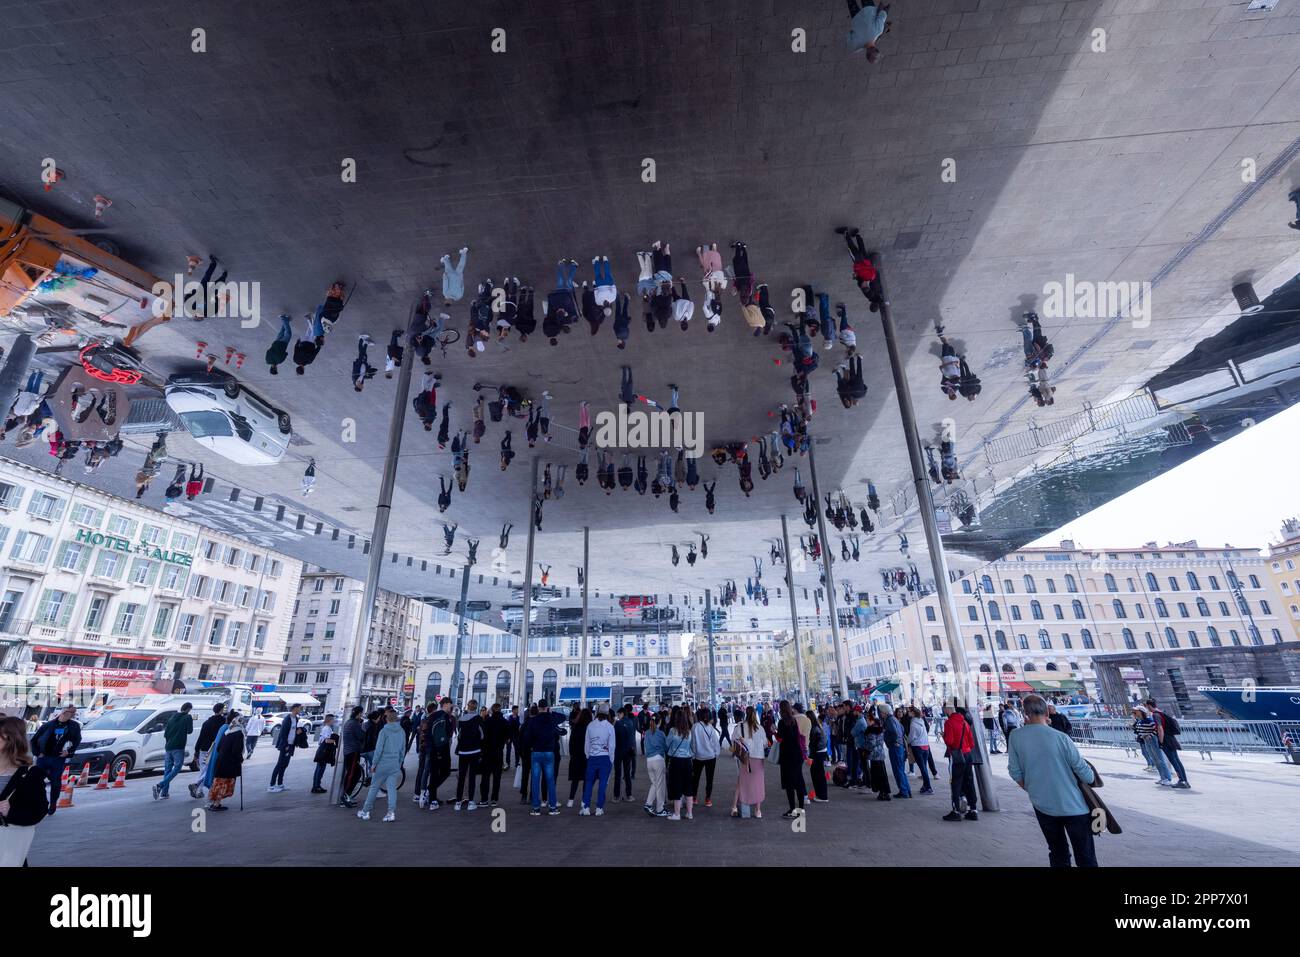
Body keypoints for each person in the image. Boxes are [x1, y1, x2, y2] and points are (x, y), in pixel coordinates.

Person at [1007, 694, 1098, 867]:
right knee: (1085, 854)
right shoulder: (1061, 738)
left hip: (1042, 804)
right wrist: (1092, 778)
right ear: (1046, 713)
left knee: (1057, 851)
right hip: (1074, 805)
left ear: (1025, 712)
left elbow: (1015, 772)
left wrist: (1033, 788)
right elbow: (1084, 773)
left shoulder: (1016, 737)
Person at [0, 715, 50, 866]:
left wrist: (11, 812)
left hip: (7, 846)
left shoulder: (30, 774)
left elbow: (39, 811)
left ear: (10, 739)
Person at [357, 708, 404, 822]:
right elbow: (403, 750)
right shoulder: (401, 731)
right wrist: (399, 763)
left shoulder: (384, 731)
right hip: (394, 764)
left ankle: (366, 811)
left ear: (387, 719)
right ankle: (390, 813)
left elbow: (378, 750)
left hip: (382, 763)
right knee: (392, 788)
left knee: (374, 787)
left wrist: (374, 764)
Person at [523, 699, 565, 816]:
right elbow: (562, 717)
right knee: (550, 780)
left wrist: (531, 746)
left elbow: (527, 738)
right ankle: (552, 807)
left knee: (535, 780)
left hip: (536, 752)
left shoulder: (532, 721)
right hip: (549, 752)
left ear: (538, 708)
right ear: (547, 707)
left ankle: (536, 808)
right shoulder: (552, 719)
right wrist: (550, 713)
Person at [941, 704, 979, 821]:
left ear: (948, 709)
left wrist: (944, 736)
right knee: (969, 781)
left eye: (944, 709)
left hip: (957, 756)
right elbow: (971, 743)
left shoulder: (949, 723)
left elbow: (950, 741)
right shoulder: (965, 722)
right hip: (968, 755)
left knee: (956, 783)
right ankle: (973, 810)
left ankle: (956, 810)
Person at [152, 701, 193, 801]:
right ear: (188, 709)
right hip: (179, 746)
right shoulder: (187, 717)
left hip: (169, 747)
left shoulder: (172, 718)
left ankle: (164, 793)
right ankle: (160, 785)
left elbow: (166, 734)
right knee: (178, 767)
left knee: (168, 770)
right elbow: (190, 731)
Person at [1146, 698, 1190, 789]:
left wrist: (1161, 742)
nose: (1147, 708)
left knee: (1174, 761)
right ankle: (1184, 780)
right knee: (1177, 760)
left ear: (1149, 706)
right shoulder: (1161, 712)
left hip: (1166, 740)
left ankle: (1182, 781)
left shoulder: (1155, 715)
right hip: (1171, 739)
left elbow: (1160, 729)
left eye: (1147, 706)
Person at [731, 706, 766, 818]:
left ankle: (734, 807)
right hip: (758, 759)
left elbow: (733, 740)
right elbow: (765, 743)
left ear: (745, 713)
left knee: (741, 783)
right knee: (758, 784)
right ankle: (758, 810)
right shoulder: (760, 728)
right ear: (755, 714)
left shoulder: (740, 726)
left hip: (744, 759)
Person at [581, 704, 615, 816]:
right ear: (607, 714)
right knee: (602, 784)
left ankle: (586, 807)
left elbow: (587, 744)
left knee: (589, 783)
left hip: (592, 757)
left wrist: (588, 756)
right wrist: (611, 760)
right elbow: (612, 746)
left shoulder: (590, 725)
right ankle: (599, 808)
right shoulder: (610, 727)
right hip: (605, 758)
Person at [206, 714, 245, 811]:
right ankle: (217, 804)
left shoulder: (227, 731)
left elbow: (218, 747)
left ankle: (214, 803)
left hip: (220, 761)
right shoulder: (239, 733)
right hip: (229, 763)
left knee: (218, 782)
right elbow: (236, 750)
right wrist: (240, 759)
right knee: (224, 783)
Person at [422, 699, 455, 810]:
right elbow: (449, 731)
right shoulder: (445, 716)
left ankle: (432, 798)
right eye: (450, 704)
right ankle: (431, 797)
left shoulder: (433, 715)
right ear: (445, 704)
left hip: (431, 748)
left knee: (434, 773)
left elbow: (427, 732)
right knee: (445, 772)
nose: (451, 706)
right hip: (442, 747)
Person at [665, 707, 695, 821]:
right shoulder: (689, 731)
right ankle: (689, 813)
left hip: (676, 761)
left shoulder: (673, 731)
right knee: (688, 787)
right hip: (688, 761)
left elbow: (667, 744)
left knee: (676, 785)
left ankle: (677, 814)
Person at [689, 706, 721, 808]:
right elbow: (715, 743)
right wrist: (716, 753)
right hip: (710, 757)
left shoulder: (695, 727)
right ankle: (708, 799)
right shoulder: (711, 728)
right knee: (709, 778)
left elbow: (693, 742)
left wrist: (693, 754)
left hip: (698, 757)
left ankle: (694, 797)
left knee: (695, 778)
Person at [478, 703, 508, 807]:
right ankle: (494, 799)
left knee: (485, 776)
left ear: (492, 710)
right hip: (498, 752)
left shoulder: (487, 721)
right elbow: (507, 738)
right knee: (497, 776)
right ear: (500, 710)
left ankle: (484, 799)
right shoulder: (504, 722)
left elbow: (482, 737)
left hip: (487, 752)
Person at [267, 703, 302, 793]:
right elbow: (283, 733)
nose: (300, 710)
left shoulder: (296, 719)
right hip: (285, 745)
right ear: (295, 709)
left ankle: (280, 784)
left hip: (291, 745)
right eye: (299, 708)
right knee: (279, 765)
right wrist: (286, 745)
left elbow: (295, 731)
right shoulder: (287, 719)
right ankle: (271, 785)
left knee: (285, 765)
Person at [641, 714, 669, 817]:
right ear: (659, 721)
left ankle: (648, 804)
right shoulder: (661, 734)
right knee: (660, 785)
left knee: (655, 784)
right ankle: (660, 809)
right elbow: (666, 748)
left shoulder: (647, 733)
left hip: (649, 761)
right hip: (658, 760)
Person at [338, 706, 366, 808]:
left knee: (354, 773)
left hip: (349, 751)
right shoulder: (354, 724)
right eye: (361, 713)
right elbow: (361, 736)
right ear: (359, 714)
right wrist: (361, 726)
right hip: (353, 752)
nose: (362, 715)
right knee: (352, 774)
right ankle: (345, 796)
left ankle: (347, 795)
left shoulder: (349, 722)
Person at [611, 705, 638, 801]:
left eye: (618, 714)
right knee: (627, 774)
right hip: (628, 751)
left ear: (622, 713)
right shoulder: (631, 722)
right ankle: (629, 795)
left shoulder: (617, 724)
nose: (618, 716)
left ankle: (616, 796)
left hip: (618, 751)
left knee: (617, 774)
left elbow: (613, 737)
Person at [566, 707, 591, 808]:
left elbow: (571, 743)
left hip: (576, 756)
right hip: (586, 756)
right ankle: (583, 801)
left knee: (575, 780)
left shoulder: (575, 727)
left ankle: (570, 800)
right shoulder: (590, 728)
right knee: (586, 779)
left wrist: (572, 754)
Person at [906, 706, 933, 794]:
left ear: (913, 713)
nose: (907, 712)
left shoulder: (913, 723)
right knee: (924, 767)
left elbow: (911, 737)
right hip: (926, 746)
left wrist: (907, 742)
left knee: (923, 768)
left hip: (918, 747)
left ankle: (928, 787)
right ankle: (925, 786)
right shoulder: (921, 721)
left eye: (909, 711)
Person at [311, 713, 338, 793]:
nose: (334, 721)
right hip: (324, 751)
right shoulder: (328, 728)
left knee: (319, 769)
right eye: (333, 719)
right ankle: (317, 787)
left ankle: (316, 786)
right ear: (329, 720)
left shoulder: (325, 728)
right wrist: (335, 740)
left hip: (322, 750)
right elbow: (326, 740)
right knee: (320, 769)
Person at [807, 709, 829, 802]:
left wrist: (810, 756)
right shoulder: (817, 726)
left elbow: (813, 744)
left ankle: (822, 796)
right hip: (821, 752)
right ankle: (821, 795)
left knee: (817, 774)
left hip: (818, 753)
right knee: (818, 774)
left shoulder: (814, 728)